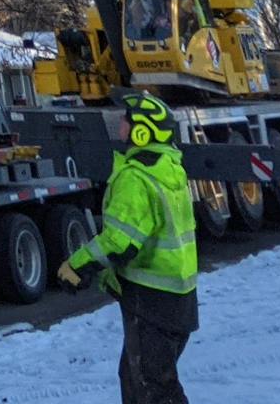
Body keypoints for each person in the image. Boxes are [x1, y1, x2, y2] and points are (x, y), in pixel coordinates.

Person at [56, 92, 198, 404]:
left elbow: (120, 242)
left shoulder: (137, 178)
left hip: (152, 302)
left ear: (142, 130)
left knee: (152, 388)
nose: (120, 123)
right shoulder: (169, 167)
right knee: (136, 381)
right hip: (176, 300)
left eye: (126, 119)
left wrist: (77, 265)